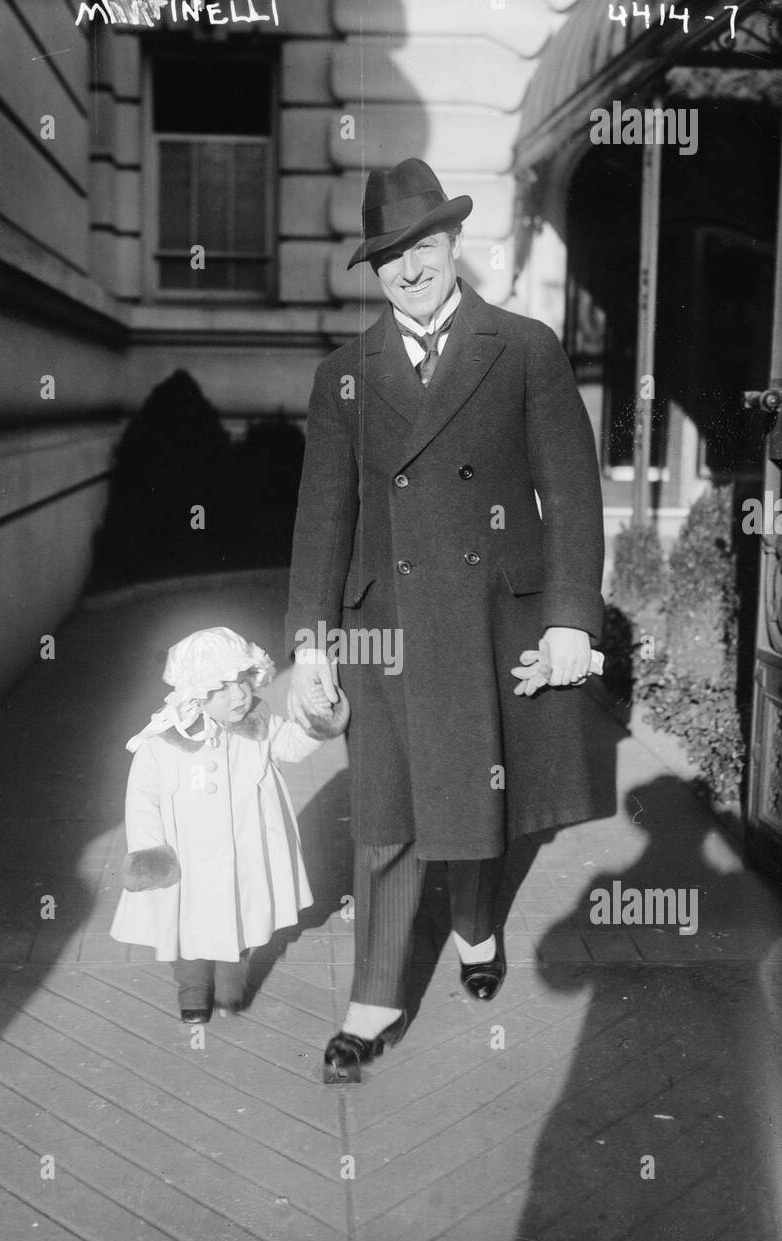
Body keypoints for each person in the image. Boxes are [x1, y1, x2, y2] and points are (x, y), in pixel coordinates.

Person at [286, 158, 605, 1084]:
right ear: (374, 271)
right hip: (383, 625)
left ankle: (474, 928)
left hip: (487, 618)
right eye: (388, 258)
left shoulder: (525, 348)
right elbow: (321, 517)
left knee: (479, 793)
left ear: (453, 244)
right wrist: (311, 644)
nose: (409, 270)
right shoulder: (345, 376)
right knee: (385, 811)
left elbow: (571, 492)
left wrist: (571, 621)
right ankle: (374, 995)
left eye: (422, 247)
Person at [109, 626, 348, 1021]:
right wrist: (151, 850)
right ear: (196, 694)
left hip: (246, 850)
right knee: (188, 923)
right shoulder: (163, 741)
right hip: (188, 857)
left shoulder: (258, 724)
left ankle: (230, 978)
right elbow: (142, 798)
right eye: (223, 687)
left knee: (241, 915)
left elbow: (292, 744)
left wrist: (315, 718)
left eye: (243, 682)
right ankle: (193, 986)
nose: (239, 695)